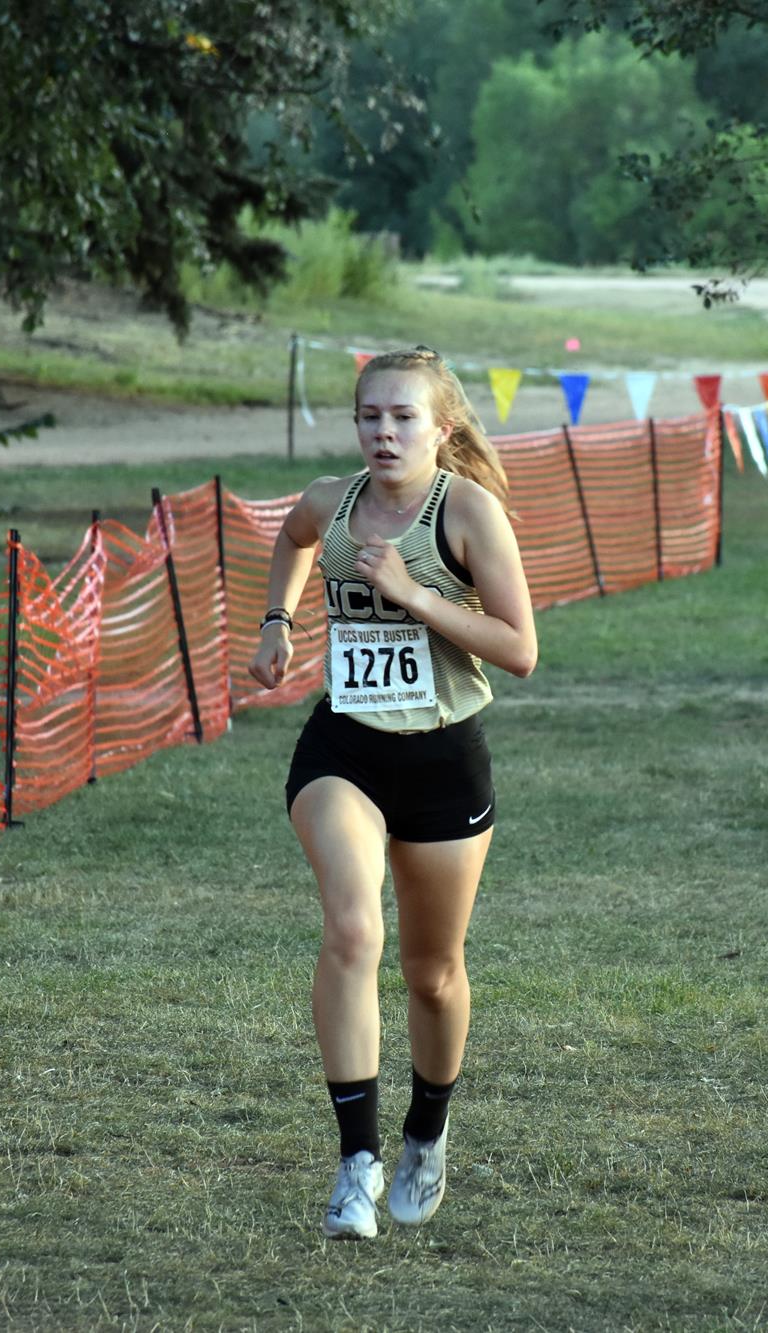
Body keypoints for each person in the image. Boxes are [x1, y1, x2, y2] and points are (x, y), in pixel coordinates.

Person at [249, 347, 538, 1239]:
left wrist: (412, 592)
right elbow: (293, 541)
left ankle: (427, 1132)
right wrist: (276, 623)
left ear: (440, 427)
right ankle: (356, 1165)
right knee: (352, 928)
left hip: (445, 761)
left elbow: (519, 648)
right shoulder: (330, 503)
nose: (383, 431)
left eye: (403, 417)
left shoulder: (469, 513)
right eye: (370, 415)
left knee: (433, 972)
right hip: (344, 750)